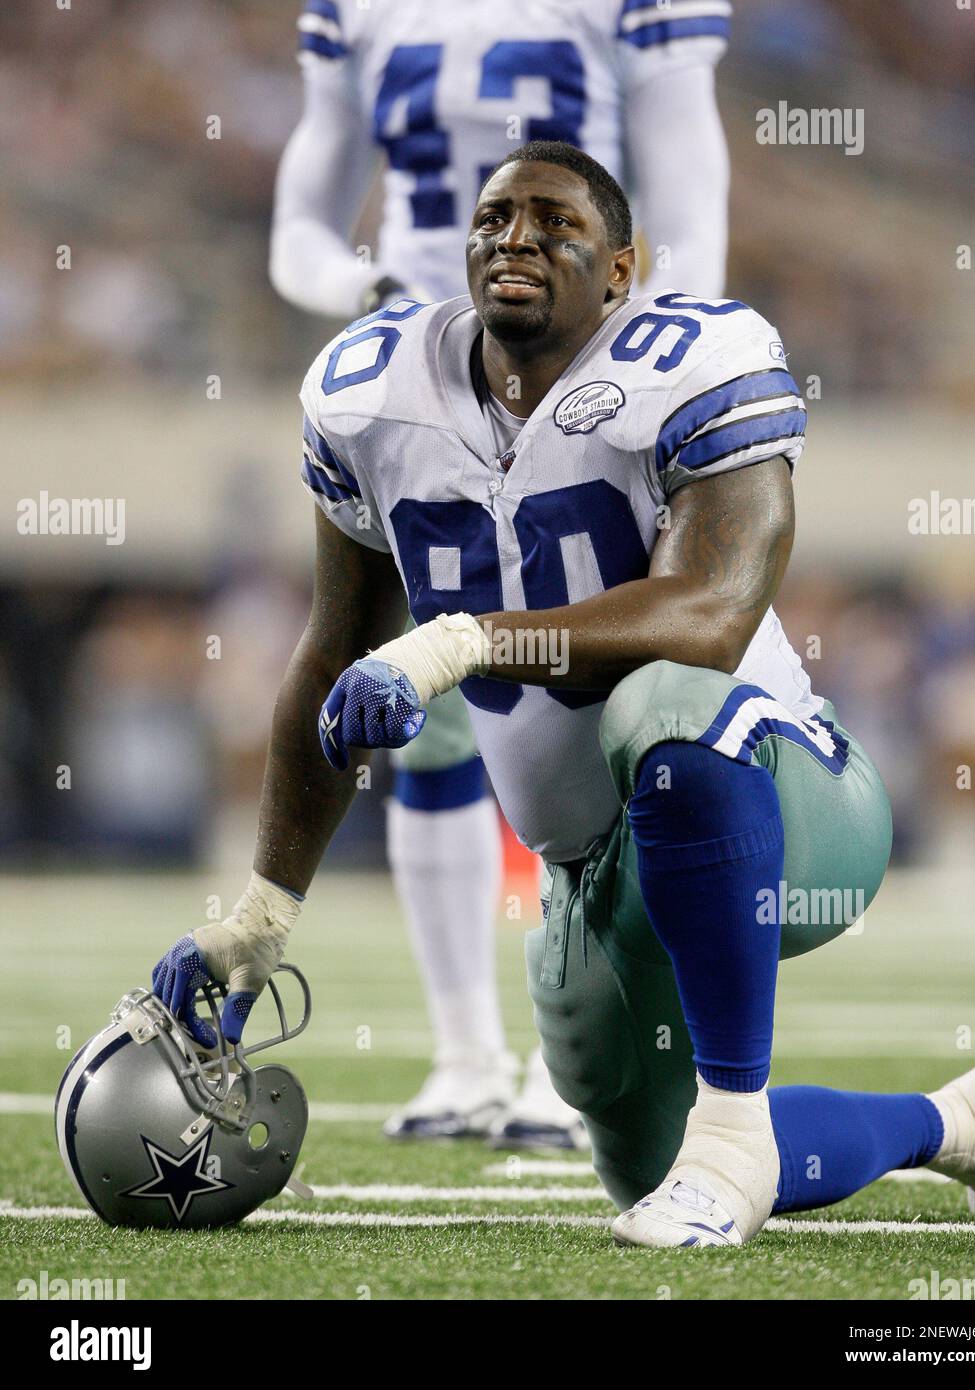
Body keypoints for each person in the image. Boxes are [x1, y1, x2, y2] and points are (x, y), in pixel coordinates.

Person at [153, 144, 975, 1246]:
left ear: (621, 271)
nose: (515, 236)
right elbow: (332, 654)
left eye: (553, 221)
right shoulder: (369, 394)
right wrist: (260, 916)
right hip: (589, 871)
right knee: (657, 1171)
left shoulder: (695, 358)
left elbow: (707, 615)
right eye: (493, 217)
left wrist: (458, 643)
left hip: (782, 791)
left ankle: (729, 1136)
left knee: (659, 700)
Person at [267, 0, 732, 1146]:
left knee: (604, 692)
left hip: (590, 361)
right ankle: (465, 1054)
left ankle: (571, 1046)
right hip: (422, 376)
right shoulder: (353, 14)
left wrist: (666, 363)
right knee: (422, 715)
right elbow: (299, 231)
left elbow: (685, 182)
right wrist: (370, 295)